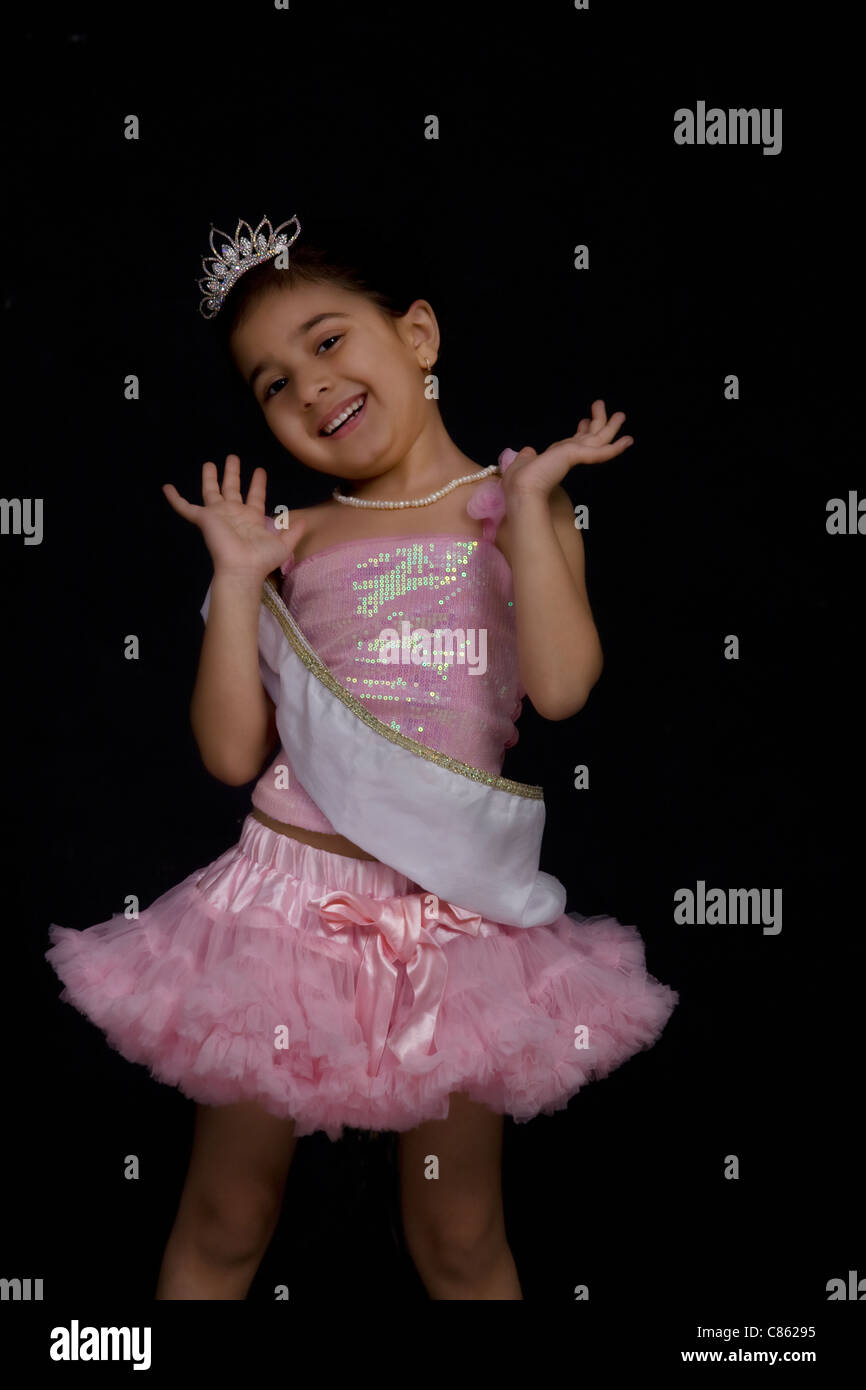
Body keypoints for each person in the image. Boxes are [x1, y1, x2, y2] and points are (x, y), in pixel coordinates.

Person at [46, 214, 678, 1301]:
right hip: (285, 908)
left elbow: (563, 687)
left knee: (458, 1234)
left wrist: (527, 508)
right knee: (228, 1213)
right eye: (272, 383)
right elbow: (229, 749)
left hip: (453, 912)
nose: (309, 388)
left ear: (418, 334)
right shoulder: (286, 539)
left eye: (329, 341)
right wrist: (237, 578)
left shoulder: (516, 503)